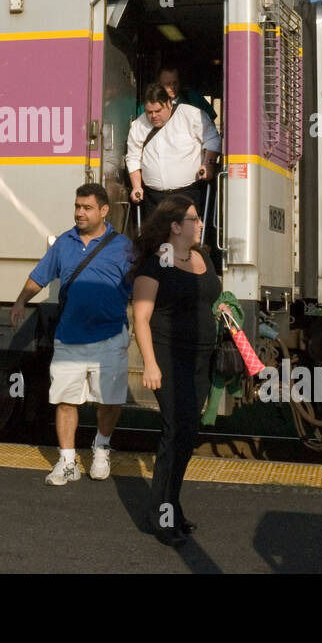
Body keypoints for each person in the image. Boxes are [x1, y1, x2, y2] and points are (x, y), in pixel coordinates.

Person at [9, 183, 134, 486]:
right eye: (77, 206)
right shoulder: (64, 242)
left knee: (110, 400)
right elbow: (40, 275)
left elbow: (140, 288)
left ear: (104, 211)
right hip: (69, 337)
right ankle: (67, 462)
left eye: (87, 207)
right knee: (65, 401)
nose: (79, 213)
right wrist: (21, 300)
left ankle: (101, 448)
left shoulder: (124, 247)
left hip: (110, 337)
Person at [131, 195, 221, 546]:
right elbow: (141, 318)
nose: (200, 224)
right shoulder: (155, 266)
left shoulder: (202, 258)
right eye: (195, 219)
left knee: (187, 436)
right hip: (169, 359)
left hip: (201, 360)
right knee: (174, 433)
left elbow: (208, 299)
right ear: (175, 225)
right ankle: (162, 518)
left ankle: (173, 506)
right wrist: (150, 364)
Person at [126, 83, 221, 221]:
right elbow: (133, 157)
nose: (153, 116)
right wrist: (136, 187)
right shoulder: (138, 125)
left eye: (158, 111)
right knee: (156, 240)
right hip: (153, 198)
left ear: (169, 104)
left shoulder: (191, 115)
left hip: (188, 194)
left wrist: (208, 164)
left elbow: (212, 138)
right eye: (149, 112)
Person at [139, 66, 218, 123]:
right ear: (159, 84)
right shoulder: (149, 104)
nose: (172, 87)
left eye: (175, 83)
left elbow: (211, 117)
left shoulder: (193, 98)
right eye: (168, 84)